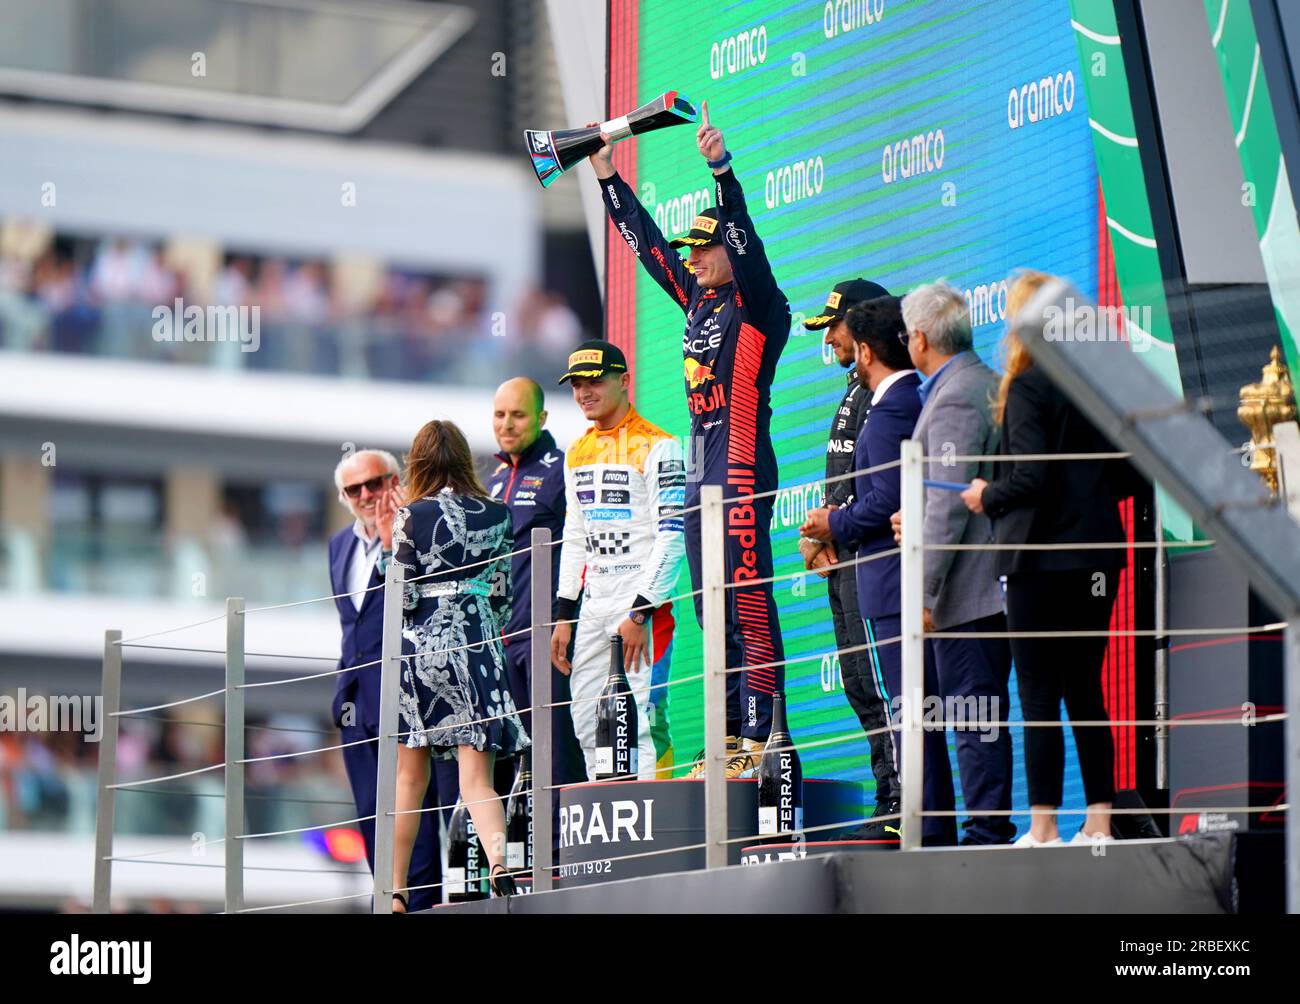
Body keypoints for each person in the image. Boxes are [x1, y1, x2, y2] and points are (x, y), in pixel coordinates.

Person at [590, 101, 790, 776]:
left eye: (704, 247)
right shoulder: (699, 299)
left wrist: (721, 174)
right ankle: (729, 733)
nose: (694, 257)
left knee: (748, 597)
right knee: (711, 611)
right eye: (693, 249)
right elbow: (648, 248)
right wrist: (608, 178)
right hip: (702, 471)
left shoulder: (760, 305)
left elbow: (745, 243)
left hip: (740, 468)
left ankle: (765, 734)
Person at [960, 271, 1139, 847]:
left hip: (1039, 563)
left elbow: (1031, 477)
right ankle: (1100, 823)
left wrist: (988, 494)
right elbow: (1132, 470)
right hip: (1095, 562)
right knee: (1086, 689)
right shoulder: (1097, 384)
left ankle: (1042, 828)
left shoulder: (1030, 385)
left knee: (1038, 691)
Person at [800, 297, 957, 846]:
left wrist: (832, 523)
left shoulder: (892, 408)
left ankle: (928, 831)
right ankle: (929, 827)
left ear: (866, 349)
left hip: (897, 583)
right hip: (899, 583)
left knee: (915, 717)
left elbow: (888, 498)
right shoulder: (901, 400)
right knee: (918, 716)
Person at [378, 421, 529, 907]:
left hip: (423, 649)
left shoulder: (408, 515)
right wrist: (477, 615)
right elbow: (504, 595)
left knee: (409, 780)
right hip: (479, 644)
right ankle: (501, 862)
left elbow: (398, 596)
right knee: (477, 779)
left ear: (417, 462)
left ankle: (397, 890)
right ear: (465, 458)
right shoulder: (499, 514)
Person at [894, 280, 1016, 845]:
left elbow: (949, 502)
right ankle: (985, 829)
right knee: (973, 718)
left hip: (966, 595)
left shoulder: (959, 392)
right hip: (973, 590)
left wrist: (922, 592)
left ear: (919, 339)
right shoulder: (966, 384)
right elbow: (942, 496)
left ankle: (987, 836)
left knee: (973, 719)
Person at [548, 341, 685, 780]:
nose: (585, 392)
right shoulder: (577, 451)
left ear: (624, 381)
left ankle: (653, 825)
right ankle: (605, 820)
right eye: (577, 385)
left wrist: (642, 611)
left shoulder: (661, 445)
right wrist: (564, 615)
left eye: (596, 382)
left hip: (641, 600)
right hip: (594, 600)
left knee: (641, 719)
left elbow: (672, 534)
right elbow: (575, 537)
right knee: (587, 720)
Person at [327, 448, 455, 910]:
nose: (367, 495)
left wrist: (389, 544)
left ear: (395, 480)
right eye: (355, 489)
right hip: (357, 704)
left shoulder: (418, 531)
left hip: (409, 697)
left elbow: (419, 605)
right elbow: (353, 627)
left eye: (375, 483)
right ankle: (389, 902)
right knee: (370, 820)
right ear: (343, 496)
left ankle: (417, 904)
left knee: (414, 820)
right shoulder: (338, 546)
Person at [799, 278, 901, 835]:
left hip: (871, 556)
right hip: (843, 554)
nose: (831, 339)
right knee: (858, 681)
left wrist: (833, 527)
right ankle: (887, 794)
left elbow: (880, 487)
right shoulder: (854, 388)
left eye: (835, 327)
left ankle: (903, 798)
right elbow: (844, 475)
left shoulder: (887, 392)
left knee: (879, 681)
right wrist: (818, 533)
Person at [487, 377, 587, 793]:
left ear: (542, 418)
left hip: (545, 636)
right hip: (500, 640)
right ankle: (520, 857)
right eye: (499, 415)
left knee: (555, 755)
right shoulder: (492, 479)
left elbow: (585, 549)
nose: (506, 424)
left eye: (518, 415)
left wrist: (565, 620)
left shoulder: (562, 469)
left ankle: (564, 856)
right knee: (508, 762)